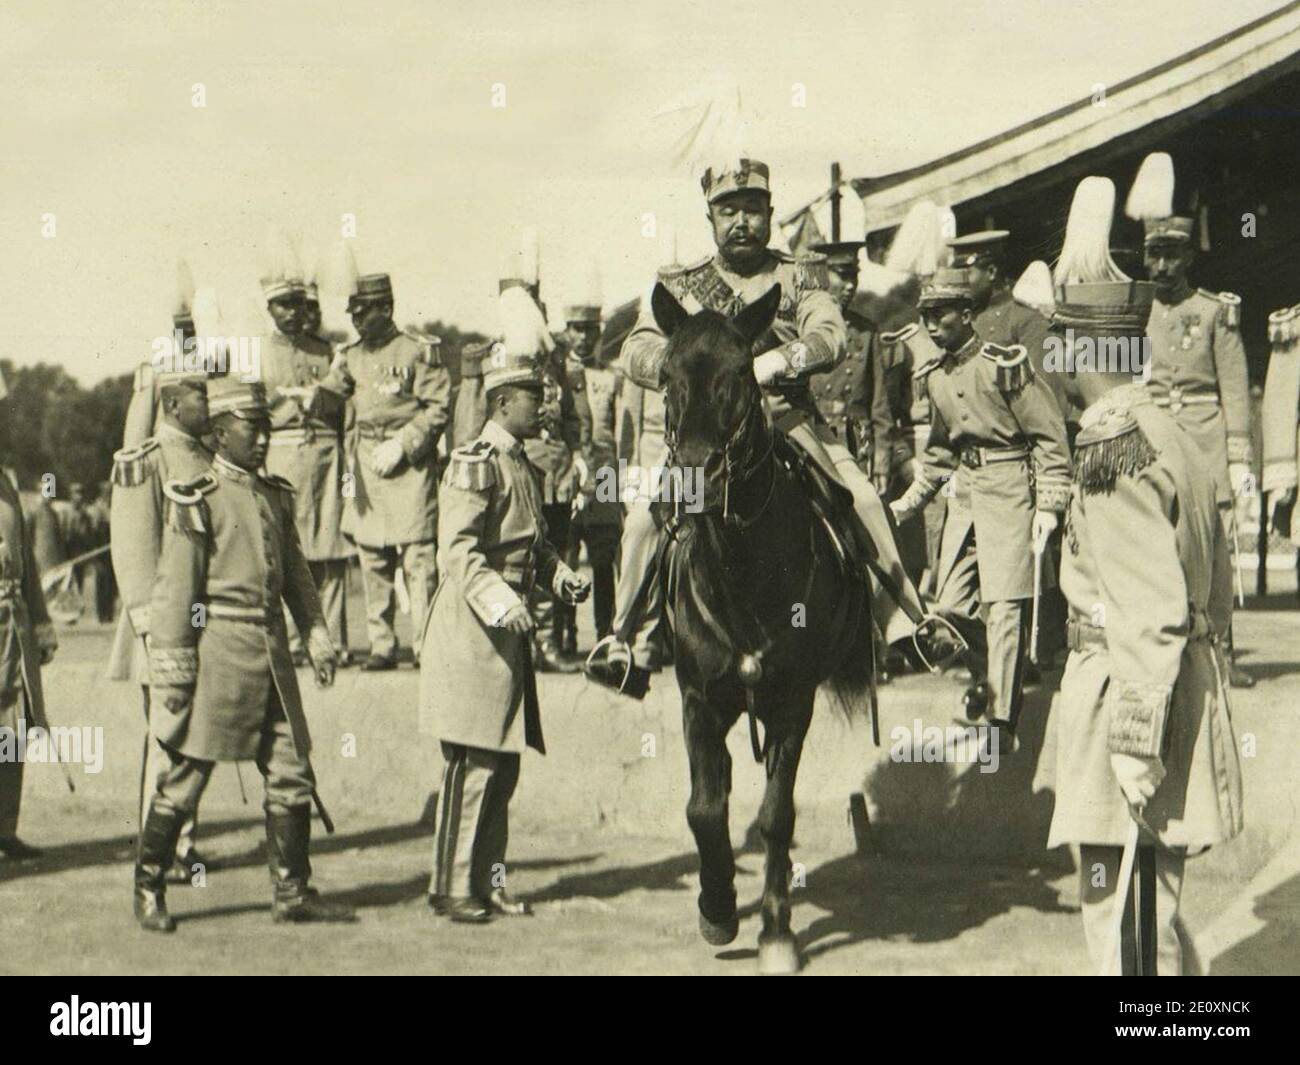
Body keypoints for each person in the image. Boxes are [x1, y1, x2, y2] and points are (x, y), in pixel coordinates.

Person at [591, 158, 932, 682]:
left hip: (784, 417)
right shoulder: (682, 283)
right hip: (706, 429)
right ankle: (623, 641)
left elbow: (830, 334)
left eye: (753, 209)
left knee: (861, 497)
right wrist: (683, 369)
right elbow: (637, 347)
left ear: (770, 213)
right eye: (729, 211)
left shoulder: (801, 277)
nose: (742, 222)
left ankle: (906, 620)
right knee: (642, 519)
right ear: (710, 218)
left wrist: (779, 360)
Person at [1047, 175, 1243, 975]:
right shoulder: (1173, 432)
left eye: (1062, 346)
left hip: (1128, 701)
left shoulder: (1110, 451)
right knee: (1151, 911)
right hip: (1177, 689)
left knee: (1122, 922)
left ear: (1089, 351)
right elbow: (1216, 583)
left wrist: (1134, 745)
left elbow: (1152, 611)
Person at [137, 376, 352, 932]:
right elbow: (176, 594)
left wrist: (317, 634)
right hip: (218, 659)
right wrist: (175, 671)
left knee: (291, 773)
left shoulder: (275, 495)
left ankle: (291, 890)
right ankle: (149, 888)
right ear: (217, 435)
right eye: (250, 430)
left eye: (266, 430)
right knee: (186, 777)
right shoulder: (195, 498)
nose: (261, 441)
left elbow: (298, 577)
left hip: (274, 663)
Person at [420, 289, 590, 923]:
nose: (543, 406)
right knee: (473, 765)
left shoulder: (521, 464)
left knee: (503, 768)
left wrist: (561, 576)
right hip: (473, 631)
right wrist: (500, 601)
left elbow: (531, 546)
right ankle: (451, 887)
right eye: (532, 397)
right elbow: (458, 552)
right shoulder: (475, 464)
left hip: (508, 629)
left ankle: (486, 881)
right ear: (500, 402)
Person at [890, 267, 1072, 740]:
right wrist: (905, 505)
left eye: (941, 315)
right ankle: (995, 671)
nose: (932, 326)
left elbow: (1049, 437)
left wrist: (1049, 506)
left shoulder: (1004, 366)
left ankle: (1002, 718)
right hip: (966, 497)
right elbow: (937, 455)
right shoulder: (935, 377)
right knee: (949, 606)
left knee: (1005, 608)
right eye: (925, 316)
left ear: (967, 315)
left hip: (1011, 491)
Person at [1127, 152, 1255, 688]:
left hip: (1203, 443)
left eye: (1172, 256)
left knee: (1214, 553)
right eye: (1154, 255)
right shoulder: (1134, 312)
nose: (1162, 267)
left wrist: (1240, 458)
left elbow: (1234, 388)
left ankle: (1220, 652)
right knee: (1161, 546)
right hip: (1156, 442)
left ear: (1188, 258)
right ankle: (1166, 648)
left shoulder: (1213, 312)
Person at [109, 363, 215, 880]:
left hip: (206, 622)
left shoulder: (211, 454)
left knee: (192, 735)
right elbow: (133, 551)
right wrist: (154, 630)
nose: (211, 401)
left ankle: (183, 845)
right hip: (162, 625)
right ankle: (161, 849)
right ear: (172, 403)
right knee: (167, 735)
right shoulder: (145, 462)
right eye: (201, 393)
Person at [337, 272, 451, 670]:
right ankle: (381, 644)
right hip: (367, 461)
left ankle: (425, 642)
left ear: (386, 308)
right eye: (353, 312)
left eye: (364, 312)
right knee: (372, 558)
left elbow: (438, 407)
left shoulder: (417, 351)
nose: (356, 320)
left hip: (408, 466)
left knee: (418, 559)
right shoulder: (349, 356)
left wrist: (403, 444)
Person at [258, 267, 354, 665]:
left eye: (299, 304)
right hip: (281, 454)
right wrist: (289, 402)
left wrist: (325, 391)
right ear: (270, 308)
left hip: (327, 457)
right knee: (286, 551)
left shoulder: (325, 351)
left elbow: (345, 390)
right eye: (284, 304)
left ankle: (332, 640)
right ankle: (294, 643)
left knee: (331, 549)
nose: (293, 312)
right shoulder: (258, 352)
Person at [0, 458, 58, 860]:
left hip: (12, 622)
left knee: (13, 728)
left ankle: (4, 829)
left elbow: (28, 563)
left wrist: (41, 623)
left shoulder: (5, 481)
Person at [564, 299, 621, 646]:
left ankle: (605, 633)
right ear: (566, 331)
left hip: (605, 476)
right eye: (576, 329)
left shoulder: (611, 377)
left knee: (603, 559)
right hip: (570, 472)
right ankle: (565, 633)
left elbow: (617, 429)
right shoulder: (558, 373)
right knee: (566, 556)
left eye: (589, 330)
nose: (583, 338)